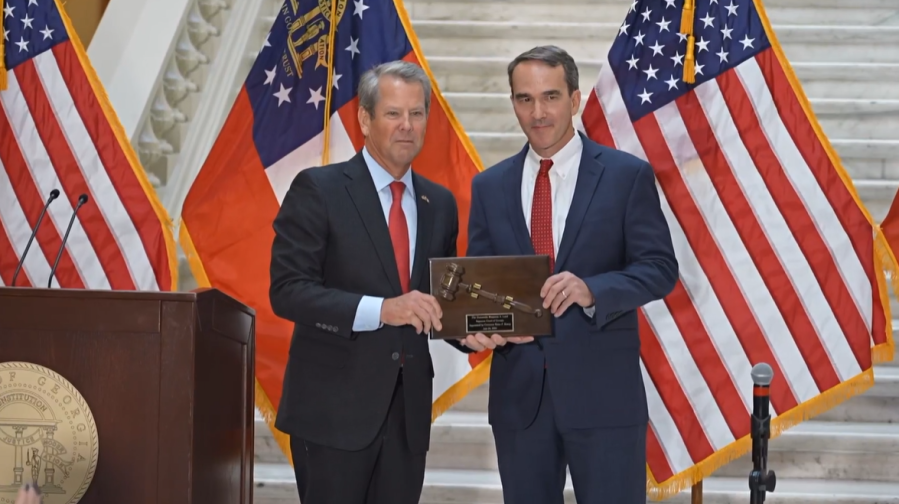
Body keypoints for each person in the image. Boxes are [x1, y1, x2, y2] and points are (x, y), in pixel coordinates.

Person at [459, 45, 678, 503]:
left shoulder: (625, 176)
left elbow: (659, 269)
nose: (538, 112)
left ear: (575, 100)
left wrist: (592, 289)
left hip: (603, 397)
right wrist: (474, 331)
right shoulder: (489, 186)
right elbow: (477, 290)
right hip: (520, 402)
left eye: (551, 97)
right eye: (524, 99)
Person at [269, 60, 466, 504]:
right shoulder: (318, 190)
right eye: (393, 113)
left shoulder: (440, 203)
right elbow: (287, 290)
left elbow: (438, 302)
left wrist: (477, 331)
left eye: (417, 114)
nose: (407, 126)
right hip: (331, 412)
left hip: (407, 418)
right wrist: (381, 309)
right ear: (364, 119)